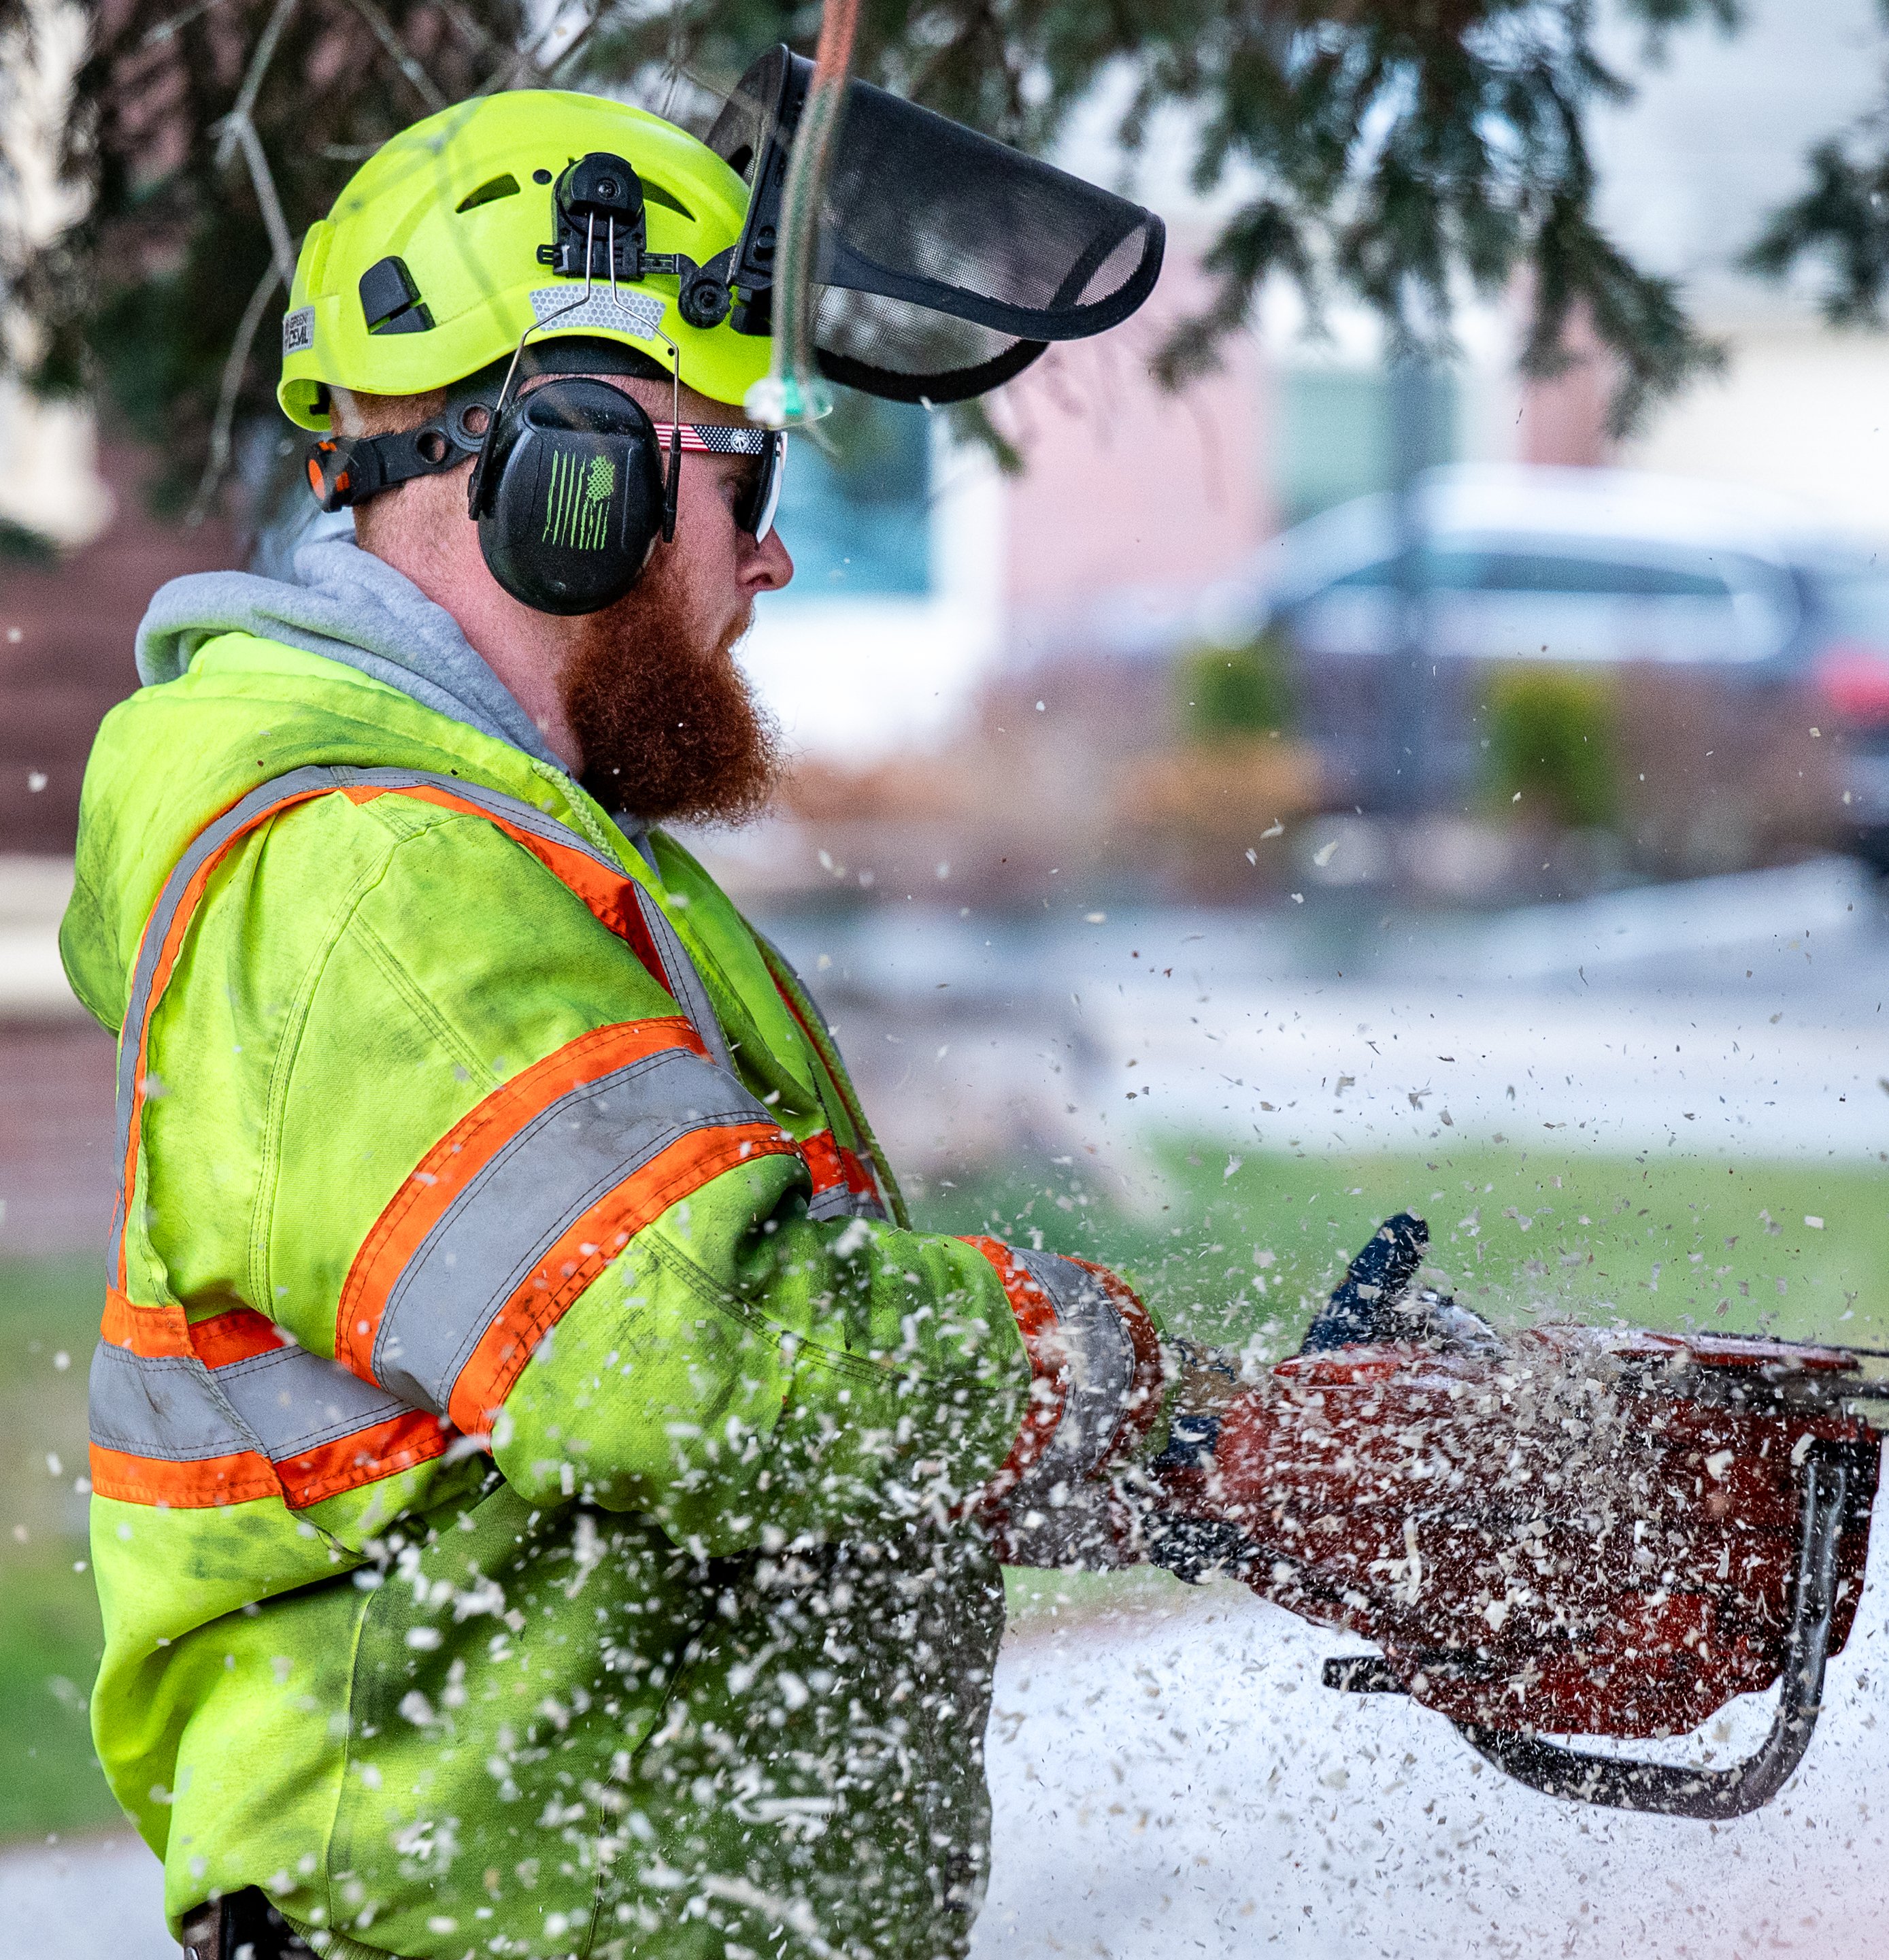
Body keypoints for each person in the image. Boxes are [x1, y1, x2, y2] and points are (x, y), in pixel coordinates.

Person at [63, 86, 1189, 1960]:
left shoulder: (505, 841)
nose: (769, 558)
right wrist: (1154, 1402)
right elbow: (698, 1358)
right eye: (744, 480)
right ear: (565, 473)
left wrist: (1207, 1479)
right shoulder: (371, 878)